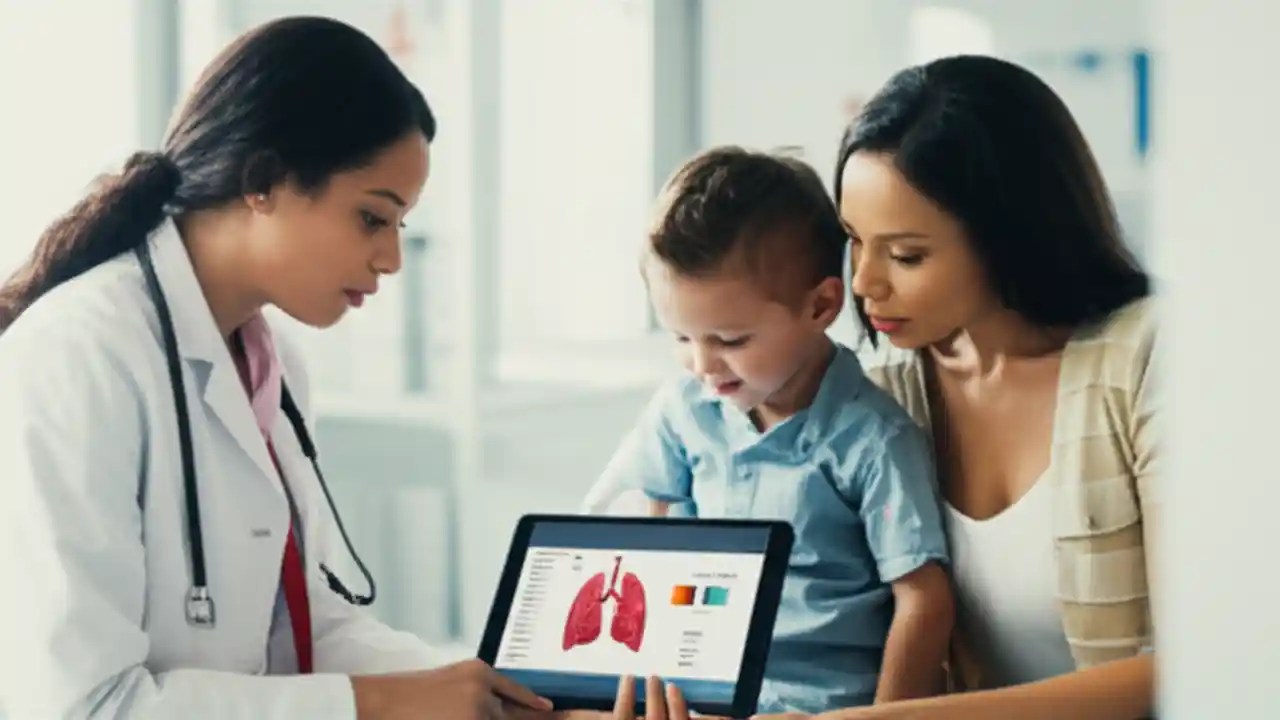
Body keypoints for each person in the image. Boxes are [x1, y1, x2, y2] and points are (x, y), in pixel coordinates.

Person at [0, 16, 567, 720]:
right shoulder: (79, 356)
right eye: (371, 218)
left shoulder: (274, 367)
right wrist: (383, 704)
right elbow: (81, 706)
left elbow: (306, 630)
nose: (391, 260)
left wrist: (510, 700)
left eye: (401, 226)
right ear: (263, 180)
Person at [755, 55, 1161, 719]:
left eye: (907, 255)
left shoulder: (1145, 358)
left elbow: (1203, 665)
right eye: (854, 241)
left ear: (1009, 236)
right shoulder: (875, 397)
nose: (864, 283)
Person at [587, 148, 955, 715]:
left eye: (731, 341)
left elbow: (922, 601)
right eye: (682, 338)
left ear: (822, 305)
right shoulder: (685, 411)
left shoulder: (873, 439)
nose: (703, 365)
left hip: (818, 707)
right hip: (699, 696)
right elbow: (650, 545)